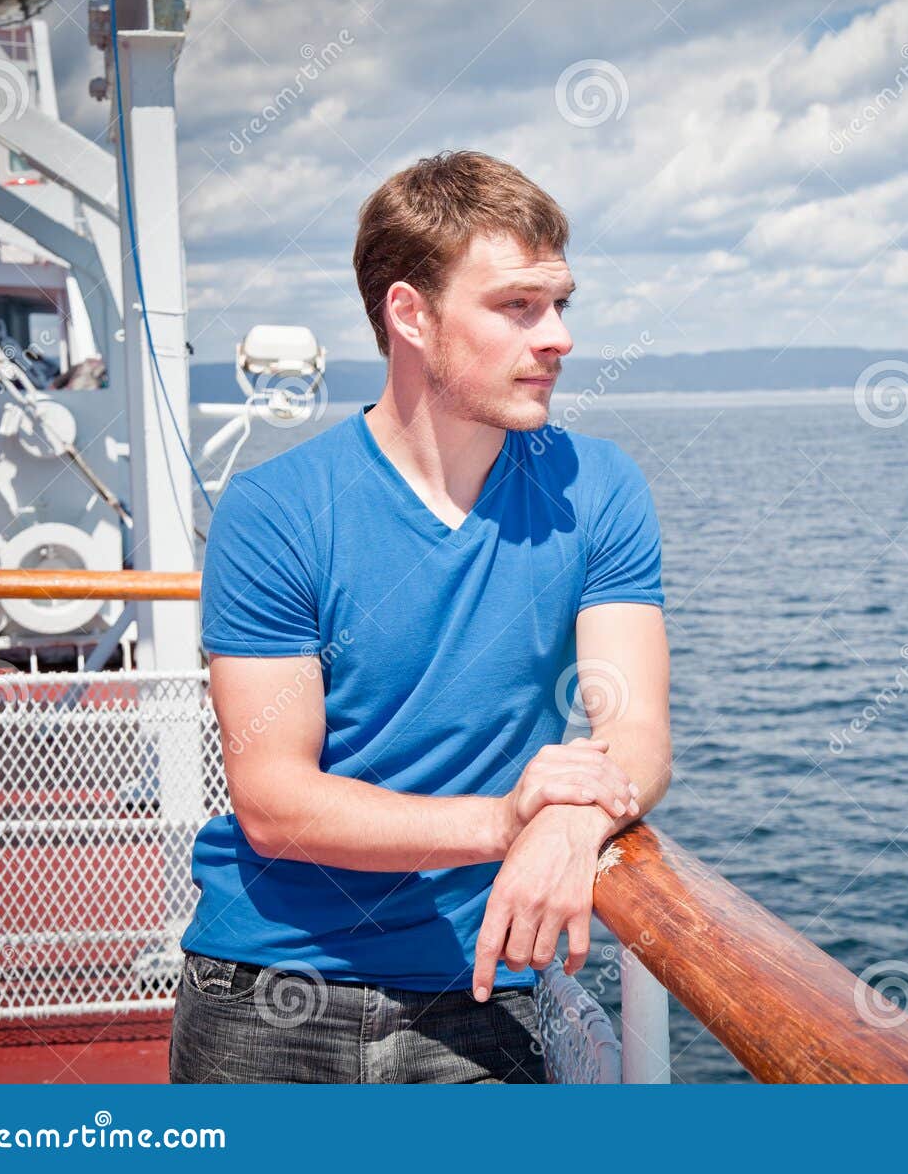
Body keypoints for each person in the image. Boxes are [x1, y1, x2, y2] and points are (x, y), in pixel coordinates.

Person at [168, 150, 671, 1083]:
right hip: (272, 990)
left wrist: (570, 826)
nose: (557, 336)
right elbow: (273, 803)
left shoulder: (597, 489)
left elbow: (636, 731)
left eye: (561, 302)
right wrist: (506, 822)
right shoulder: (277, 511)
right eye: (518, 306)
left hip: (482, 985)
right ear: (410, 314)